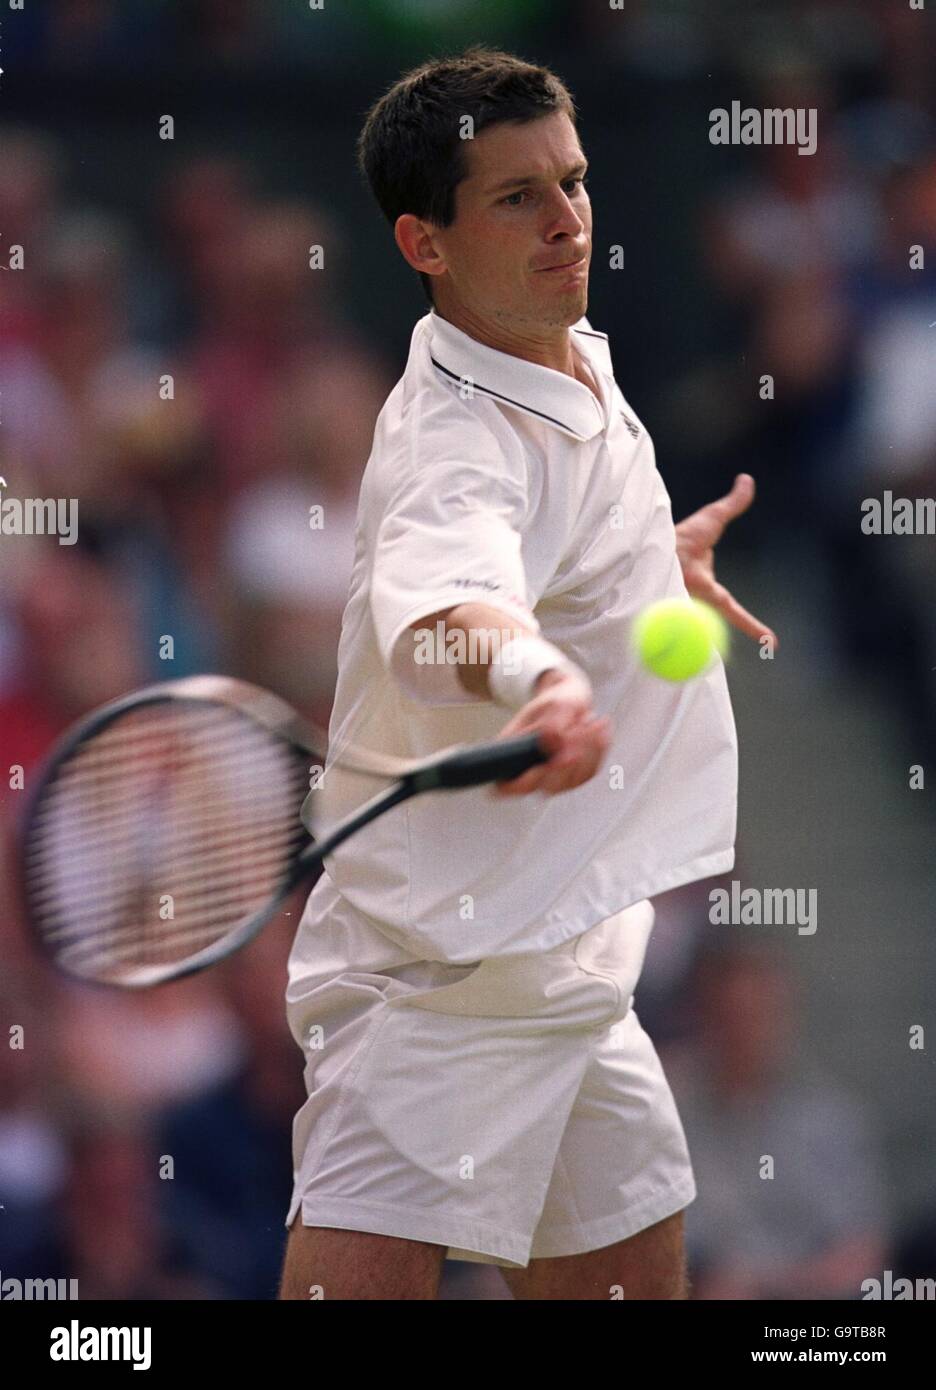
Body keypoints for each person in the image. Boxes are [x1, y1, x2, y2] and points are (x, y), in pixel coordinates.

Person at [279, 45, 776, 1301]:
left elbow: (554, 541)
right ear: (424, 243)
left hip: (566, 953)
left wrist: (648, 572)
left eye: (574, 181)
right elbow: (445, 615)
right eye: (517, 197)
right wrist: (539, 684)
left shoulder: (566, 348)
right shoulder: (451, 445)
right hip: (434, 978)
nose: (567, 220)